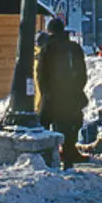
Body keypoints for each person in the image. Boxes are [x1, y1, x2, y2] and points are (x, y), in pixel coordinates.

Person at [36, 18, 89, 168]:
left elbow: (41, 73)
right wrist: (77, 88)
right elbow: (82, 72)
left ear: (49, 31)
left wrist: (45, 92)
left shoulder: (47, 47)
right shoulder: (74, 47)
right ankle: (69, 154)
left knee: (44, 124)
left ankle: (45, 155)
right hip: (70, 92)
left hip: (51, 93)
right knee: (69, 124)